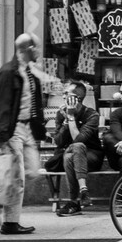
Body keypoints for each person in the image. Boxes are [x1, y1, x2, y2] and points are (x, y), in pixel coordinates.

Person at [0, 32, 57, 235]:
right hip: (12, 130)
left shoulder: (30, 72)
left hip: (27, 128)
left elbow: (35, 101)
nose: (39, 51)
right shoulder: (8, 72)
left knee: (32, 171)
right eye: (37, 47)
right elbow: (1, 106)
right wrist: (0, 136)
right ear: (27, 49)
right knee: (18, 178)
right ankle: (10, 222)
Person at [47, 81, 103, 217]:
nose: (63, 96)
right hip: (67, 153)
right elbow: (59, 142)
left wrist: (71, 117)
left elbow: (79, 140)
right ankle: (83, 191)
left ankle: (74, 202)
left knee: (75, 149)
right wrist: (66, 121)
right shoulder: (61, 114)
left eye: (67, 93)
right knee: (70, 154)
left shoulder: (92, 115)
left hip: (91, 156)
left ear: (77, 98)